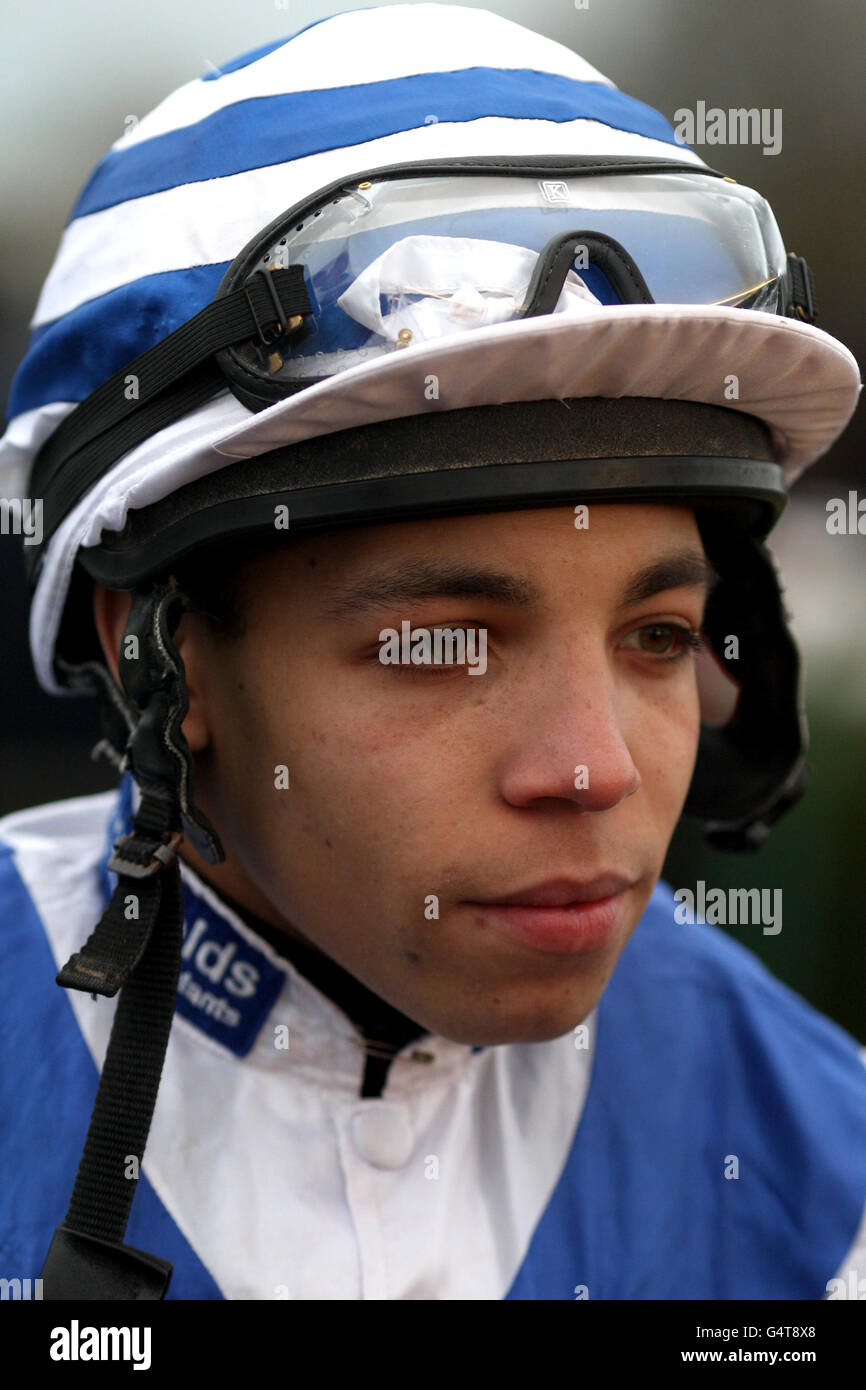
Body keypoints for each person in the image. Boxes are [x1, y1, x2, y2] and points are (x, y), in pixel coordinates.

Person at [1, 3, 864, 1302]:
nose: (589, 772)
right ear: (153, 665)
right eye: (442, 640)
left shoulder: (824, 1169)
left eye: (658, 635)